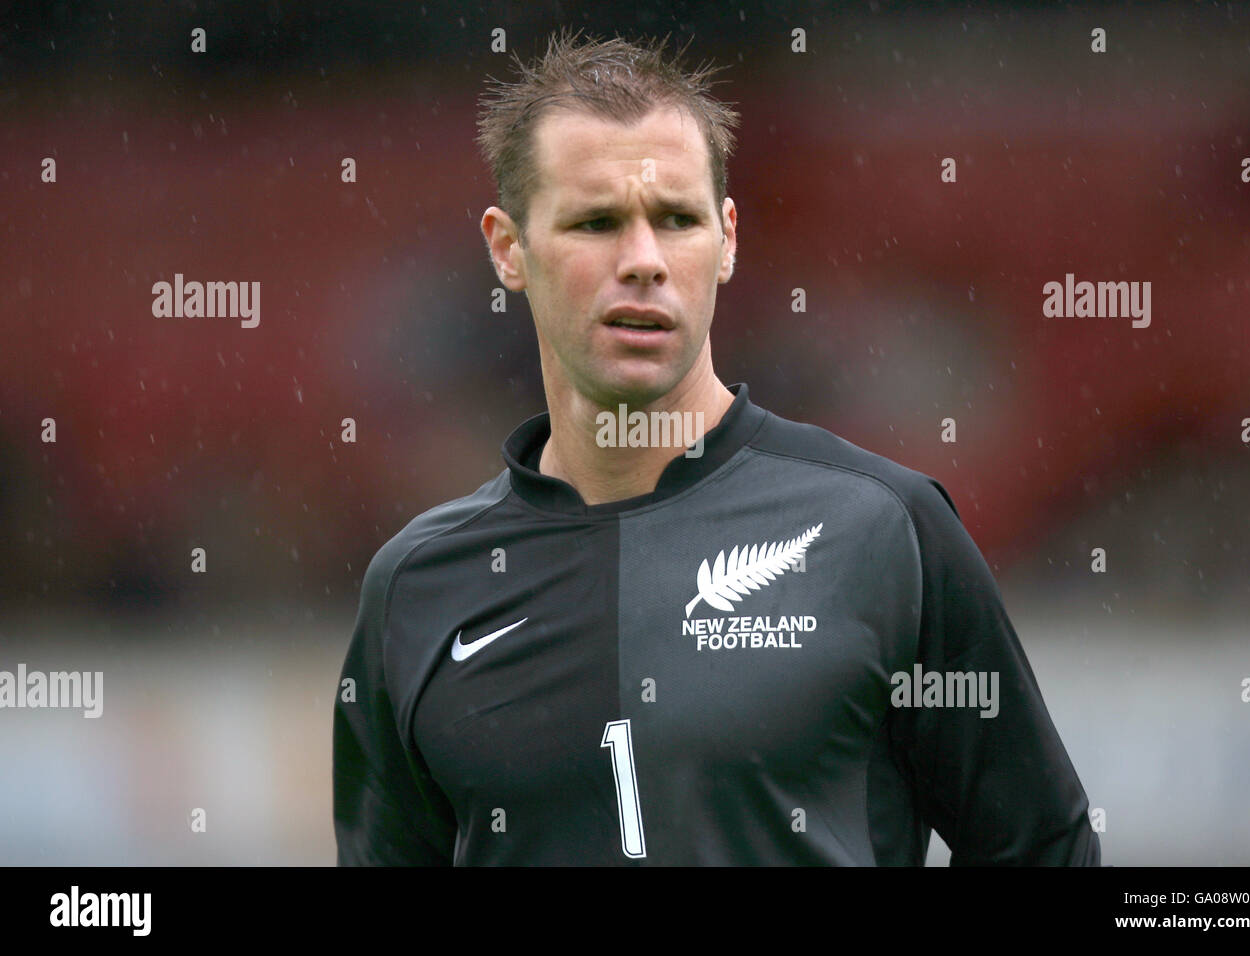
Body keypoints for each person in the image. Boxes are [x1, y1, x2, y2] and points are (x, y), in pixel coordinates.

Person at [333, 29, 1101, 865]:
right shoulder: (416, 589)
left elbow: (1045, 850)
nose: (644, 262)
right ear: (508, 248)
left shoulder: (884, 529)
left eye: (677, 220)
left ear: (728, 238)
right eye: (595, 223)